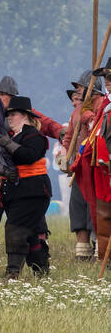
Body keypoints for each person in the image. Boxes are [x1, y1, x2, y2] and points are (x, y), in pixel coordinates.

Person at [0, 76, 64, 254]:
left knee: (32, 208)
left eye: (4, 95)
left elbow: (47, 124)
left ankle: (41, 243)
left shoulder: (26, 113)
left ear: (13, 96)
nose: (0, 98)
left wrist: (61, 131)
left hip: (23, 173)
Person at [0, 96, 51, 279]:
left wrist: (8, 145)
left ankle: (12, 273)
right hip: (16, 193)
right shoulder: (10, 137)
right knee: (31, 233)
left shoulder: (35, 136)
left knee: (15, 228)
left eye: (13, 114)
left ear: (25, 116)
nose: (9, 117)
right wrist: (3, 170)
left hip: (33, 192)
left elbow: (28, 155)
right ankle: (41, 271)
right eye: (8, 114)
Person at [62, 72, 101, 260]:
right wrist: (64, 154)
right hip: (80, 166)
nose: (77, 92)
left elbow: (99, 129)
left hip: (96, 165)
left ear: (91, 88)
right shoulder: (77, 110)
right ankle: (82, 249)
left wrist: (89, 116)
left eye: (80, 88)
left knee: (96, 207)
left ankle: (98, 248)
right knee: (78, 206)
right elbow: (69, 136)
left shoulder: (102, 105)